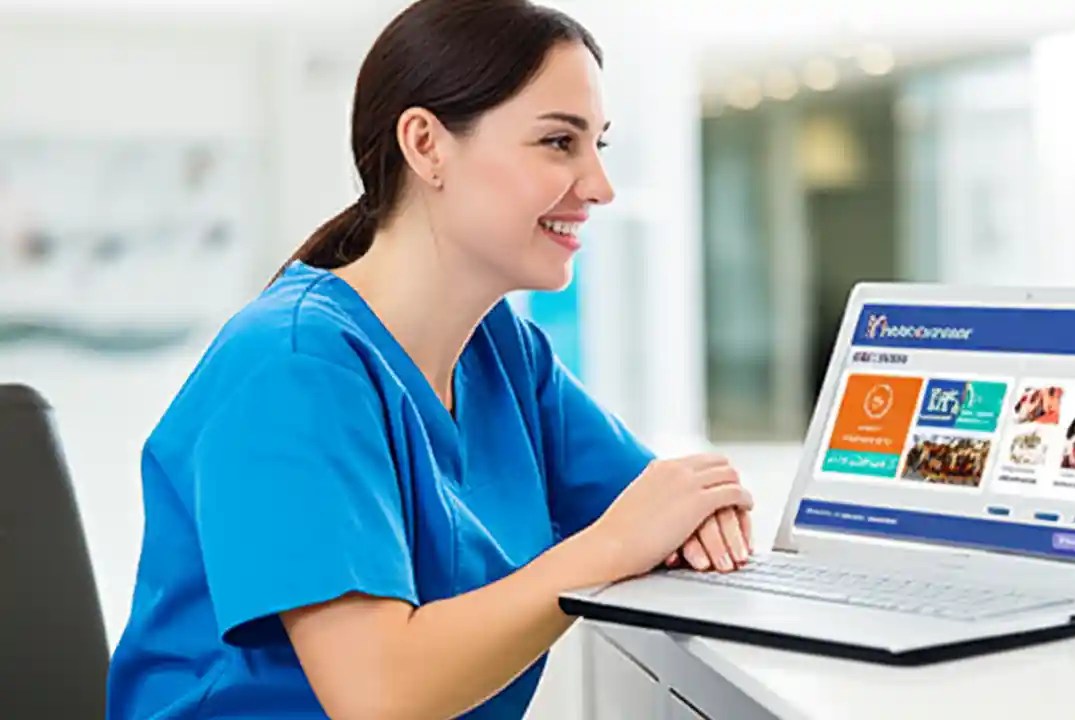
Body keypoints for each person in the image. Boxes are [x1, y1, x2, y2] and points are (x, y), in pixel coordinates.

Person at [104, 1, 754, 717]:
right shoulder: (291, 365)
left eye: (598, 144)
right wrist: (614, 544)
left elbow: (667, 520)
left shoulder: (506, 356)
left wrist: (677, 520)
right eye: (558, 143)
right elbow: (380, 695)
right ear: (427, 144)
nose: (600, 185)